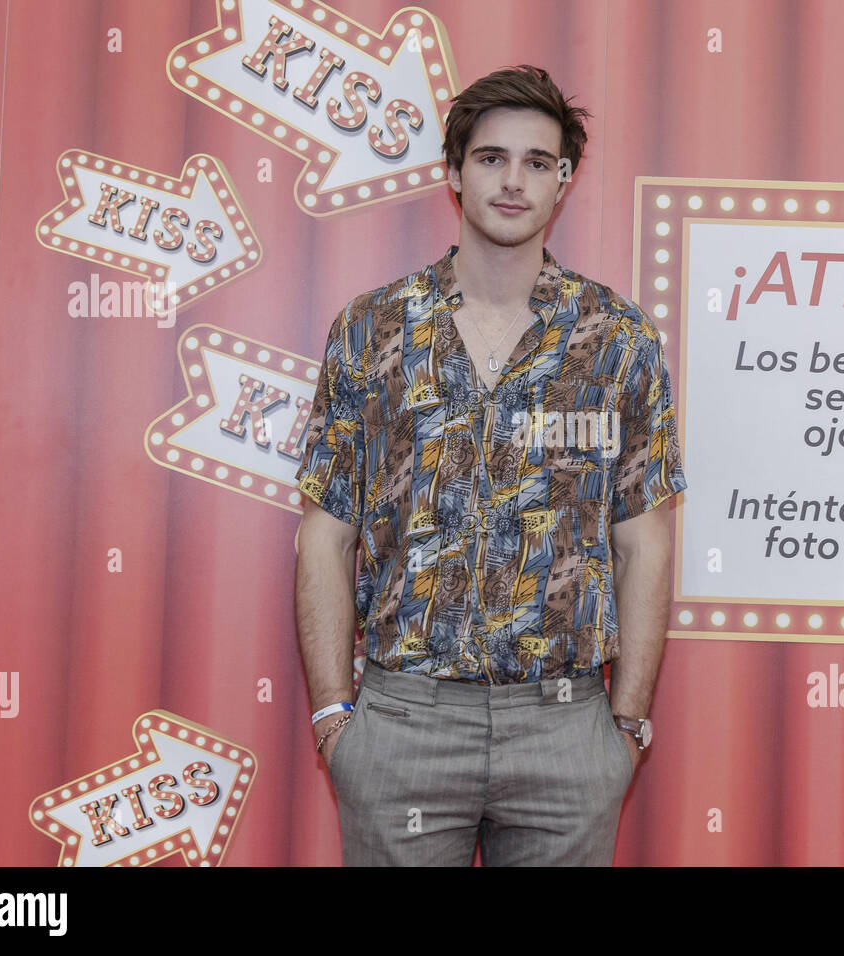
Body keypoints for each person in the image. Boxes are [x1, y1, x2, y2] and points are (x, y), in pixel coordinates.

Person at [293, 64, 687, 866]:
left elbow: (643, 543)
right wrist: (336, 717)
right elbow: (324, 536)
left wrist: (625, 727)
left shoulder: (618, 340)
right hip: (402, 727)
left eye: (537, 162)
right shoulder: (372, 331)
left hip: (566, 731)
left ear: (564, 180)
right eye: (491, 158)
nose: (513, 181)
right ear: (453, 172)